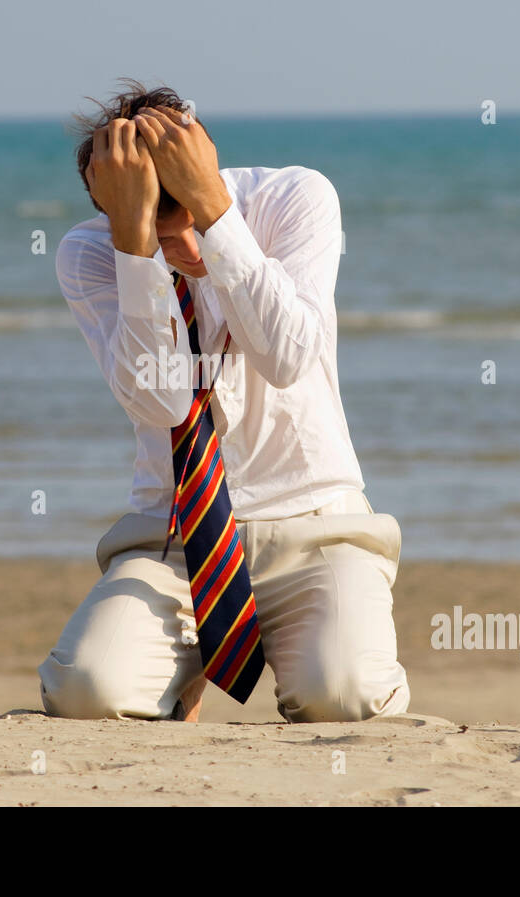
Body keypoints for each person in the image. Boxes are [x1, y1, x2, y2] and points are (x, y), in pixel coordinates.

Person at [38, 81, 410, 723]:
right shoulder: (91, 252)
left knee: (346, 696)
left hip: (316, 522)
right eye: (164, 237)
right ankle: (182, 681)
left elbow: (286, 357)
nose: (186, 254)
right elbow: (161, 403)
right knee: (86, 694)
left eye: (185, 224)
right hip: (173, 536)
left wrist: (213, 212)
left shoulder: (296, 197)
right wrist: (134, 247)